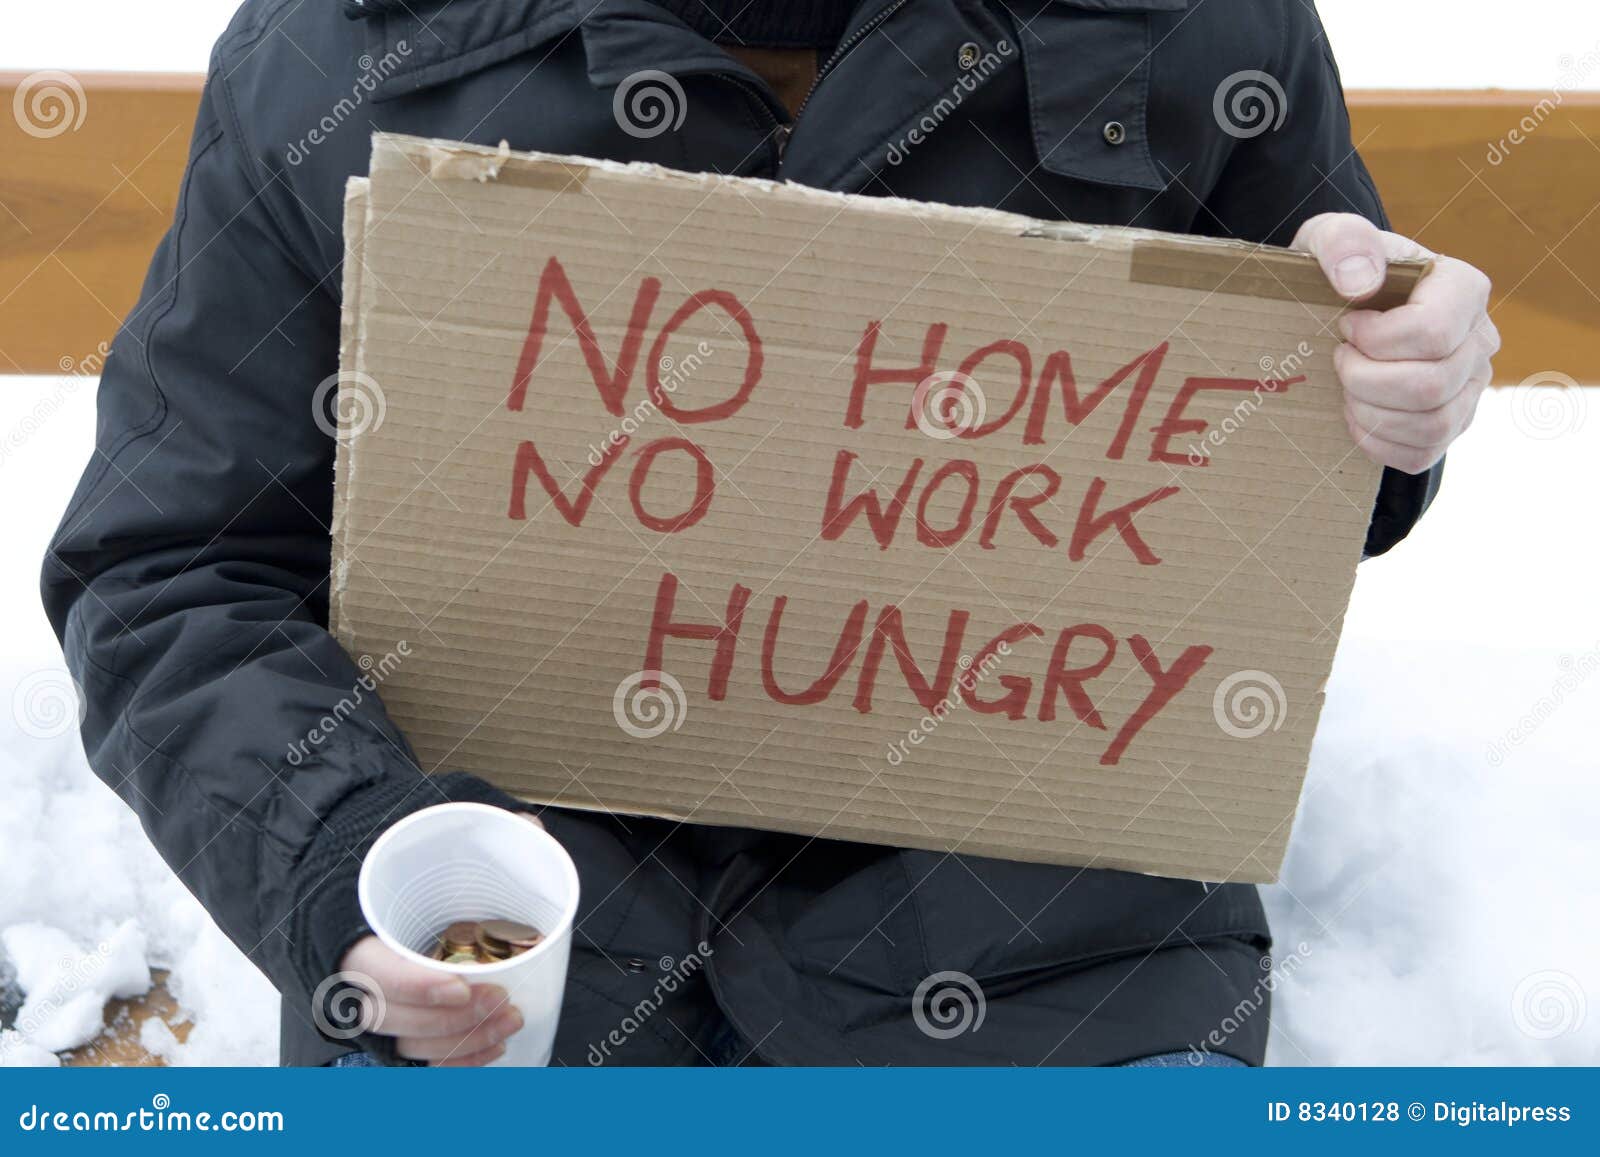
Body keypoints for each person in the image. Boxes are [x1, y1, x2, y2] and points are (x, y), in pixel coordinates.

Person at [42, 0, 1495, 1067]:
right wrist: (346, 857)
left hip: (1055, 954)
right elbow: (179, 563)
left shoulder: (1199, 27)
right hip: (514, 931)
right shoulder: (334, 53)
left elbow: (1284, 482)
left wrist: (1394, 386)